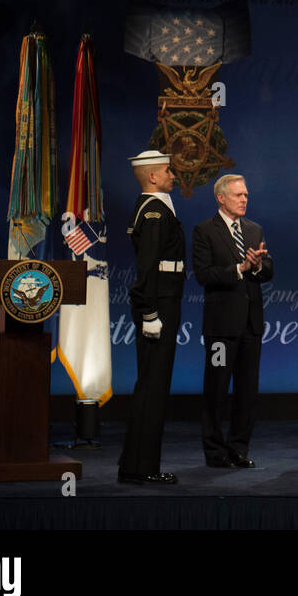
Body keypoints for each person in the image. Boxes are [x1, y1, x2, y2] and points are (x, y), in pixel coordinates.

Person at [192, 173, 273, 469]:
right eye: (238, 195)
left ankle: (239, 449)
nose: (244, 200)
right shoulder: (205, 231)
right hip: (221, 330)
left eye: (246, 195)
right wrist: (240, 267)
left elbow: (268, 270)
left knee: (247, 392)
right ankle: (215, 452)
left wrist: (259, 264)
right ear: (221, 197)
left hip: (251, 327)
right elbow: (204, 275)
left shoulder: (254, 229)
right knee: (216, 389)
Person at [118, 150, 186, 486]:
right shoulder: (155, 212)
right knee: (152, 388)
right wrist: (150, 313)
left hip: (162, 301)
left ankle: (135, 464)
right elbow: (146, 269)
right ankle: (141, 467)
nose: (174, 174)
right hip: (158, 304)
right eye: (168, 170)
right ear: (153, 177)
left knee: (152, 386)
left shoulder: (156, 208)